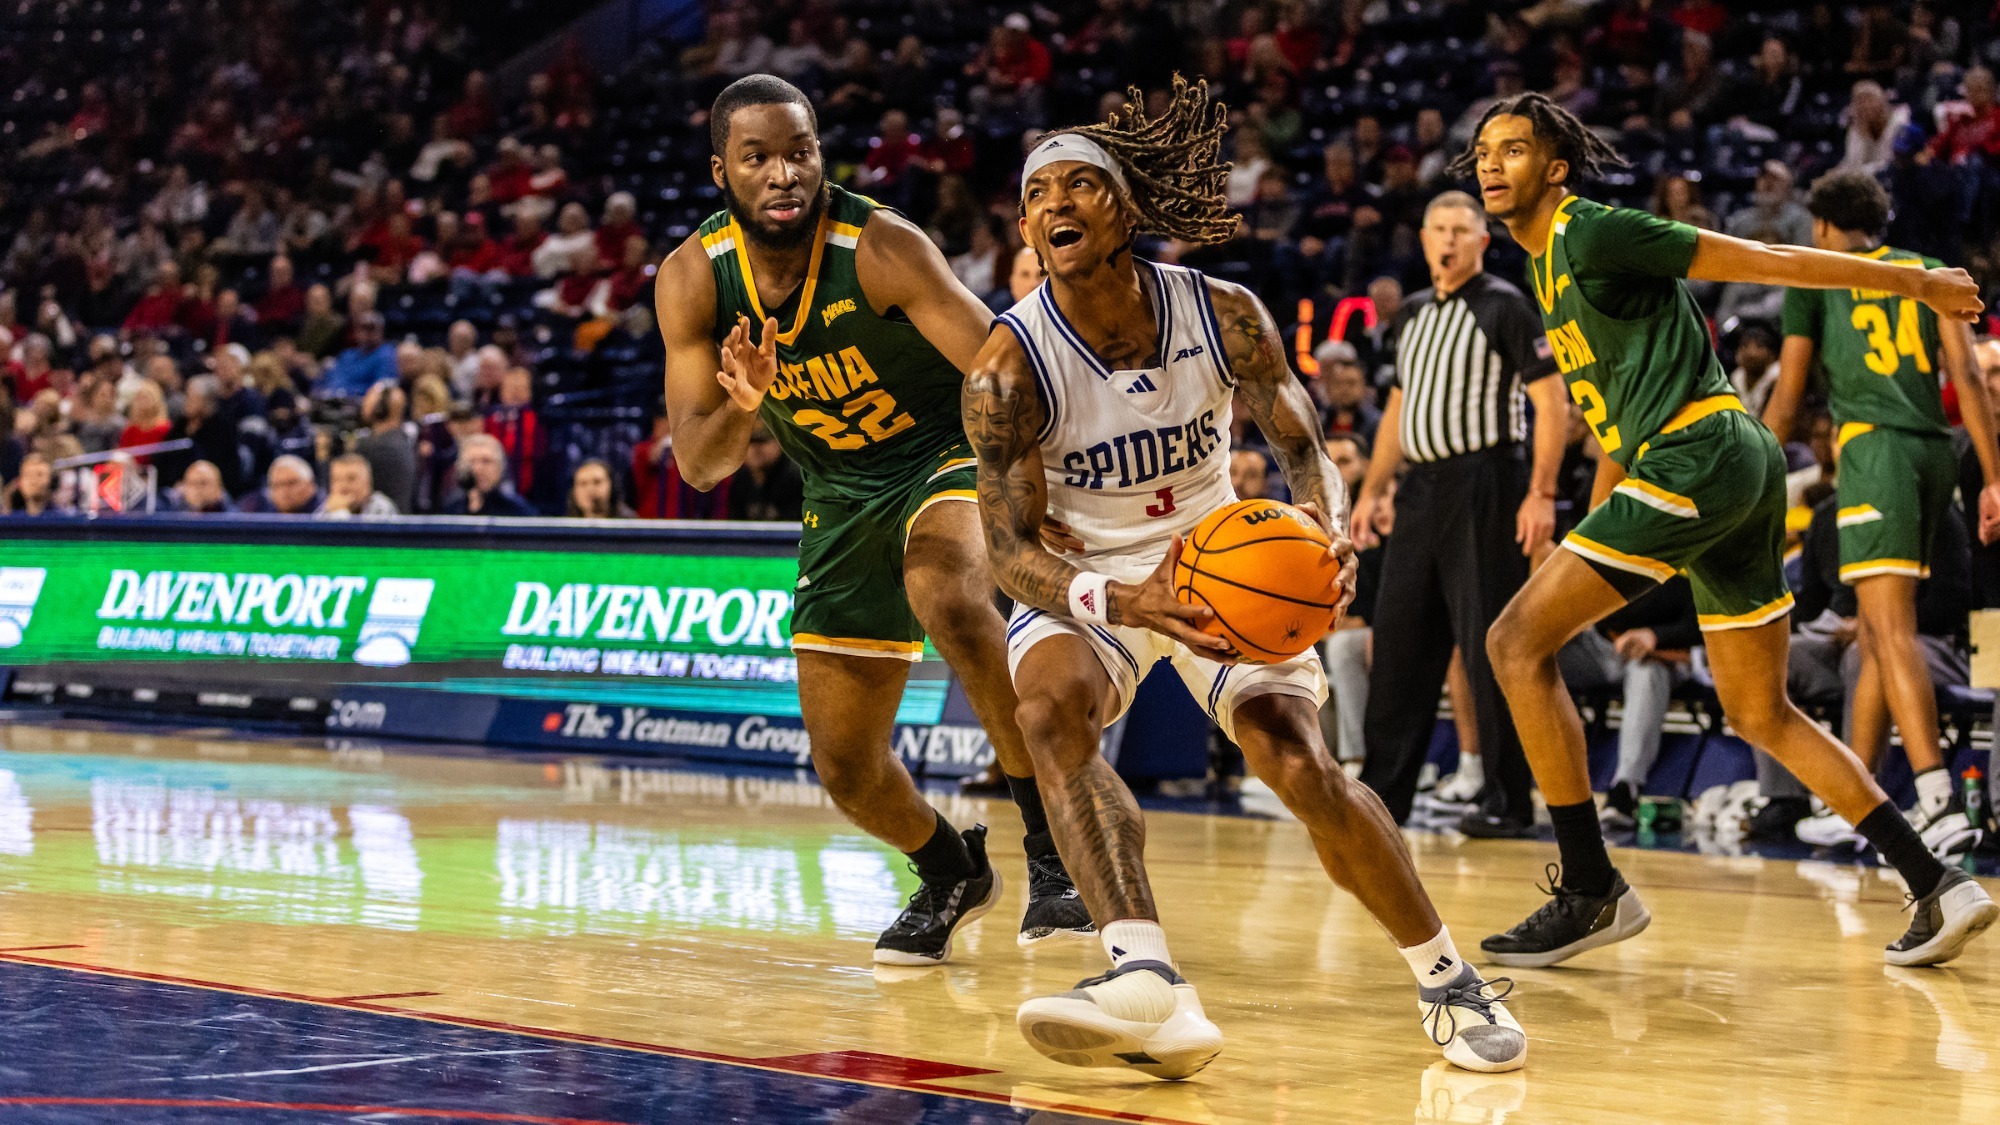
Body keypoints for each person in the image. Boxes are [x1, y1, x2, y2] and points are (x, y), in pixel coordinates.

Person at [963, 78, 1524, 1080]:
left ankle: (1448, 978)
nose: (1052, 205)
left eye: (1076, 185)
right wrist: (1119, 600)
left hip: (1222, 552)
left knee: (1299, 762)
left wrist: (1323, 529)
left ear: (1124, 208)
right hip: (1091, 574)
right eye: (1035, 194)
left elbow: (1300, 443)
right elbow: (1004, 548)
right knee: (1046, 713)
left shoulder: (1222, 313)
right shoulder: (1007, 365)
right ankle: (1146, 977)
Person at [1457, 92, 1995, 969]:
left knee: (1514, 643)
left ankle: (1590, 886)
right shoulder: (1548, 266)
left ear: (1555, 168)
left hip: (1699, 453)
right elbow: (1615, 425)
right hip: (1723, 465)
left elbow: (1769, 258)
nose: (1491, 162)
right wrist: (1588, 524)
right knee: (1757, 709)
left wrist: (1916, 282)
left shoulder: (1593, 231)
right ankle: (1935, 880)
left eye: (1513, 149)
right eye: (1484, 149)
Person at [656, 74, 1089, 965]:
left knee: (947, 591)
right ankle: (950, 868)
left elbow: (1005, 370)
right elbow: (701, 463)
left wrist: (1048, 493)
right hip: (840, 492)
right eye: (758, 157)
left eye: (800, 151)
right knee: (846, 767)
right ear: (721, 172)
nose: (784, 173)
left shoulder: (882, 246)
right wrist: (746, 404)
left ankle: (1053, 849)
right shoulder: (694, 278)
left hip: (945, 450)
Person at [1760, 171, 1999, 857]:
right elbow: (1968, 377)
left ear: (1823, 226)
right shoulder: (1927, 270)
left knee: (1891, 631)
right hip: (1934, 451)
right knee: (1872, 630)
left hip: (1875, 450)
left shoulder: (1815, 275)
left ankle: (1936, 798)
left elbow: (1789, 392)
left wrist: (1754, 469)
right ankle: (1857, 805)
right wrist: (1993, 478)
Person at [1348, 190, 1568, 836]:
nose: (1448, 239)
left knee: (1487, 642)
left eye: (1460, 229)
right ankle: (1381, 796)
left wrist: (1541, 492)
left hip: (1487, 480)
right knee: (1397, 640)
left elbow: (1551, 402)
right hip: (1420, 489)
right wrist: (1372, 490)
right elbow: (1399, 408)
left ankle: (1507, 799)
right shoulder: (1413, 313)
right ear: (1422, 240)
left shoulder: (1505, 305)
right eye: (1438, 229)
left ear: (1482, 241)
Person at [444, 433, 537, 517]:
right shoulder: (449, 513)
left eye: (486, 461)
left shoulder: (520, 512)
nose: (478, 469)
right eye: (471, 461)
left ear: (500, 467)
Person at [318, 453, 398, 518]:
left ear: (367, 482)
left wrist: (341, 514)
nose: (343, 486)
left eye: (351, 479)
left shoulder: (381, 508)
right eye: (337, 479)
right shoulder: (327, 507)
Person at [237, 454, 321, 515]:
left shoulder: (324, 512)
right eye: (277, 485)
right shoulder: (260, 512)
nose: (284, 491)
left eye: (291, 483)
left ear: (310, 484)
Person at [566, 457, 634, 518]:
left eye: (597, 482)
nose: (590, 489)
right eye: (583, 483)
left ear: (612, 486)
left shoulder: (630, 523)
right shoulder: (566, 525)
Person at [165, 459, 232, 513]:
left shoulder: (229, 515)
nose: (198, 489)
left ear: (218, 487)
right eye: (192, 483)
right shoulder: (171, 510)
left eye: (203, 483)